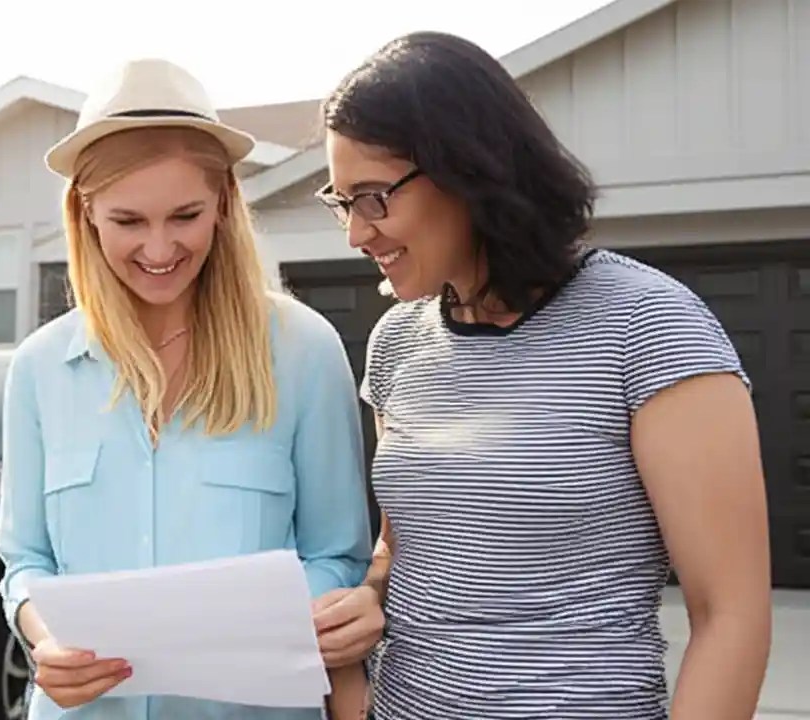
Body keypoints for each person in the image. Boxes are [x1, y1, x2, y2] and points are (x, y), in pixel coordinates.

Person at [314, 32, 773, 719]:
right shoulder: (396, 343)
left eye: (374, 197)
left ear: (469, 169)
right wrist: (368, 597)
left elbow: (731, 617)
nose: (355, 233)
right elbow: (409, 542)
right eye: (341, 201)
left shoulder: (650, 328)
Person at [0, 58, 375, 720]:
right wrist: (43, 635)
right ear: (84, 217)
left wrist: (258, 625)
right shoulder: (38, 369)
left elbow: (335, 554)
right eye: (128, 222)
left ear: (225, 202)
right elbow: (24, 560)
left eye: (185, 215)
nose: (160, 247)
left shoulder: (304, 351)